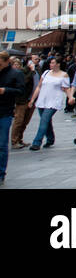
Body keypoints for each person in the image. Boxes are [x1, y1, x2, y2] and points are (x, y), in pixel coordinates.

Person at [28, 55, 73, 151]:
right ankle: (50, 138)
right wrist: (32, 100)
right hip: (42, 99)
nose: (51, 64)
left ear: (58, 64)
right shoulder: (46, 73)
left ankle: (37, 142)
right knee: (46, 121)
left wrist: (70, 97)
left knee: (44, 120)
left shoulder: (64, 75)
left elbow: (66, 88)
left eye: (53, 63)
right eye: (50, 63)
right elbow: (39, 87)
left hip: (53, 101)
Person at [0, 51, 29, 184]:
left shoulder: (16, 74)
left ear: (7, 62)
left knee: (2, 144)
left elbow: (21, 91)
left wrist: (5, 90)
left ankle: (1, 172)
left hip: (5, 112)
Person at [8, 55, 34, 149]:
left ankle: (19, 139)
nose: (17, 66)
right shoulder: (16, 74)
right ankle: (14, 140)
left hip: (29, 99)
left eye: (18, 64)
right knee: (18, 121)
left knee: (24, 121)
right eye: (15, 64)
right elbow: (24, 82)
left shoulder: (24, 72)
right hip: (20, 100)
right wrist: (31, 71)